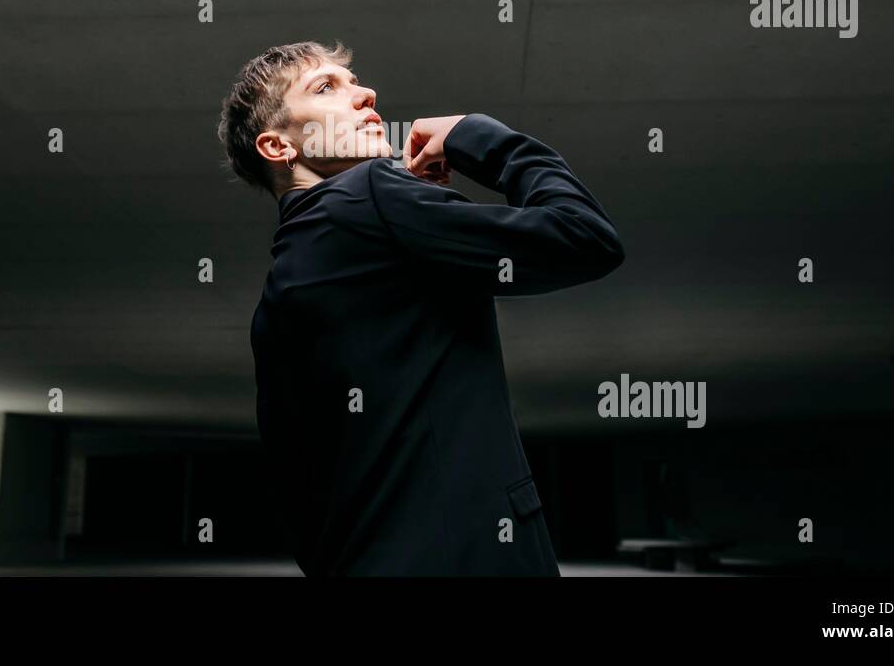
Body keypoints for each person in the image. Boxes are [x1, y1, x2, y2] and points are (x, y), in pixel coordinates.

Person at [217, 40, 625, 575]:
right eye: (325, 87)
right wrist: (481, 137)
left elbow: (299, 490)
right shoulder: (372, 191)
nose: (366, 94)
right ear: (278, 147)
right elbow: (585, 239)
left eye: (354, 79)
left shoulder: (280, 292)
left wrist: (421, 226)